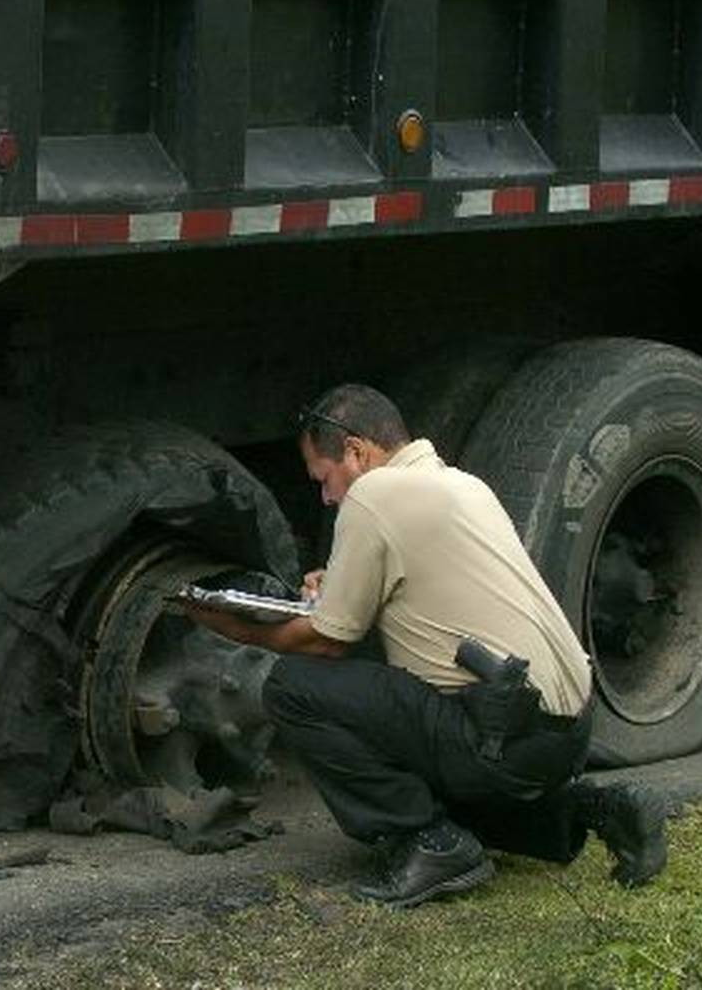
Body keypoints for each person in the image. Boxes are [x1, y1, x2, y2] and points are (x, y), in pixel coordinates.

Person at [184, 384, 667, 908]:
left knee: (292, 686)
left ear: (356, 451)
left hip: (500, 733)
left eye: (324, 479)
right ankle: (595, 811)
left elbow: (326, 643)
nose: (327, 498)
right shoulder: (460, 484)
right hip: (563, 731)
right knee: (427, 756)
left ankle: (431, 846)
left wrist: (236, 628)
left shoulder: (374, 495)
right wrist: (343, 579)